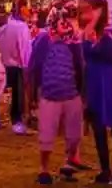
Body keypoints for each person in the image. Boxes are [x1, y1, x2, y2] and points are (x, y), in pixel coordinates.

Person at [28, 12, 86, 185]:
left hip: (71, 94)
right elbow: (34, 66)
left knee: (74, 135)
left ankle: (69, 162)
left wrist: (82, 93)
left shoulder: (74, 44)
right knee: (46, 136)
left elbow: (80, 67)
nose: (67, 26)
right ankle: (44, 169)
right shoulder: (43, 41)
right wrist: (32, 94)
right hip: (49, 95)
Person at [80, 0, 112, 186]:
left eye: (92, 10)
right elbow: (85, 46)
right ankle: (105, 170)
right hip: (95, 87)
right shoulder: (90, 37)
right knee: (99, 130)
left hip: (109, 88)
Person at [0, 0, 32, 135]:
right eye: (28, 7)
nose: (30, 11)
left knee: (10, 94)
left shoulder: (7, 24)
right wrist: (26, 65)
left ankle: (11, 119)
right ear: (22, 8)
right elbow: (24, 49)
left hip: (6, 63)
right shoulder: (21, 27)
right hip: (17, 65)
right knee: (18, 96)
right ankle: (17, 122)